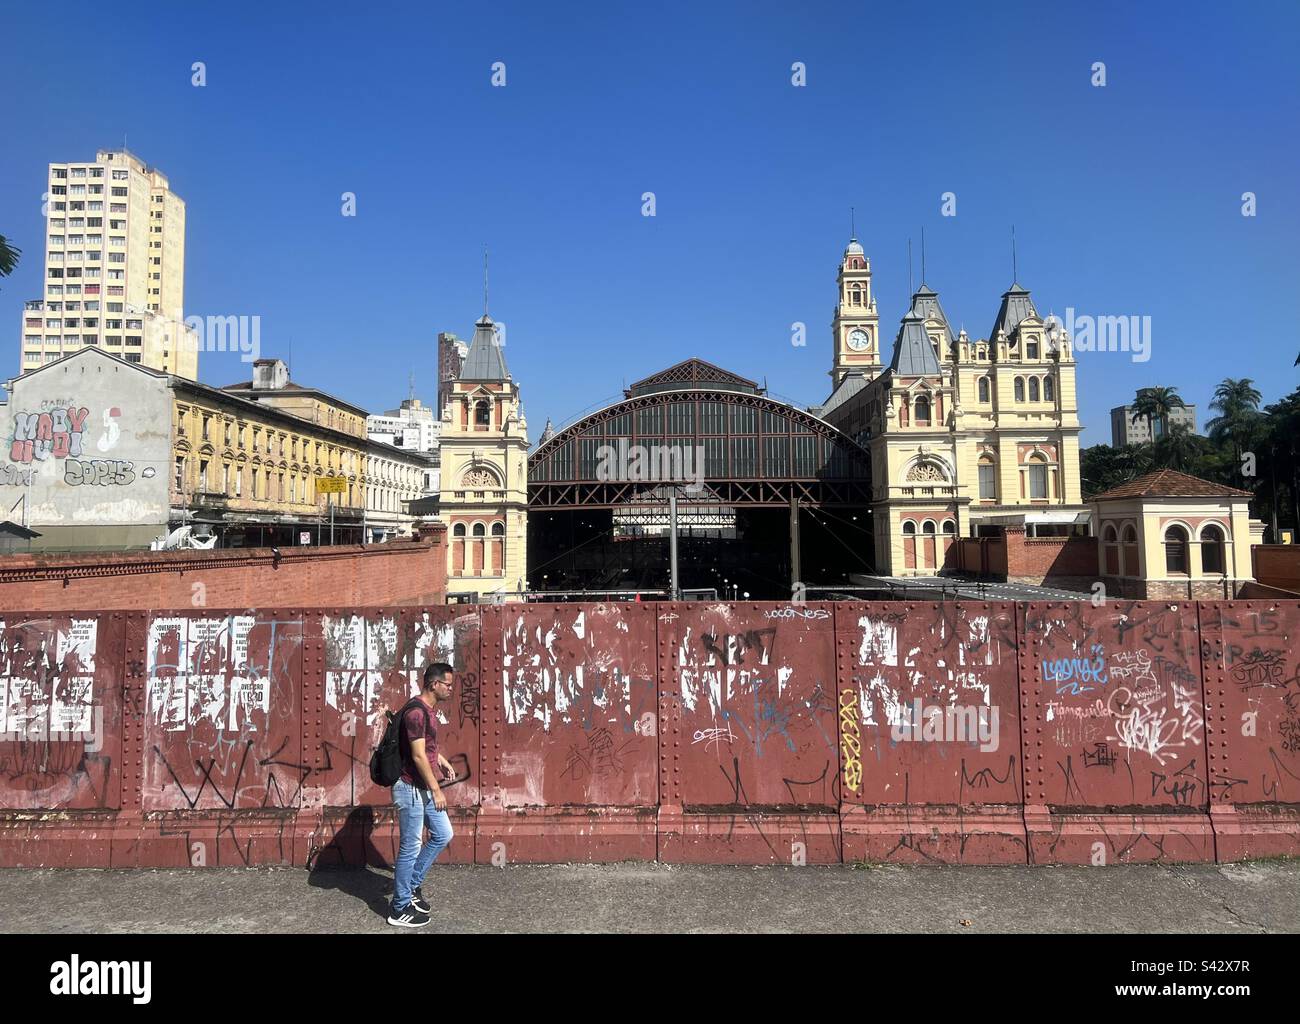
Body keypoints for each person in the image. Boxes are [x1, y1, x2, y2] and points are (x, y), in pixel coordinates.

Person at [388, 661, 458, 927]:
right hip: (410, 788)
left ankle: (412, 887)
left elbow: (423, 747)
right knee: (410, 846)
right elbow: (416, 755)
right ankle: (399, 907)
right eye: (448, 684)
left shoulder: (426, 710)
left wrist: (440, 759)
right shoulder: (417, 713)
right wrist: (437, 789)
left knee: (442, 833)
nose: (451, 689)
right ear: (434, 684)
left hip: (421, 787)